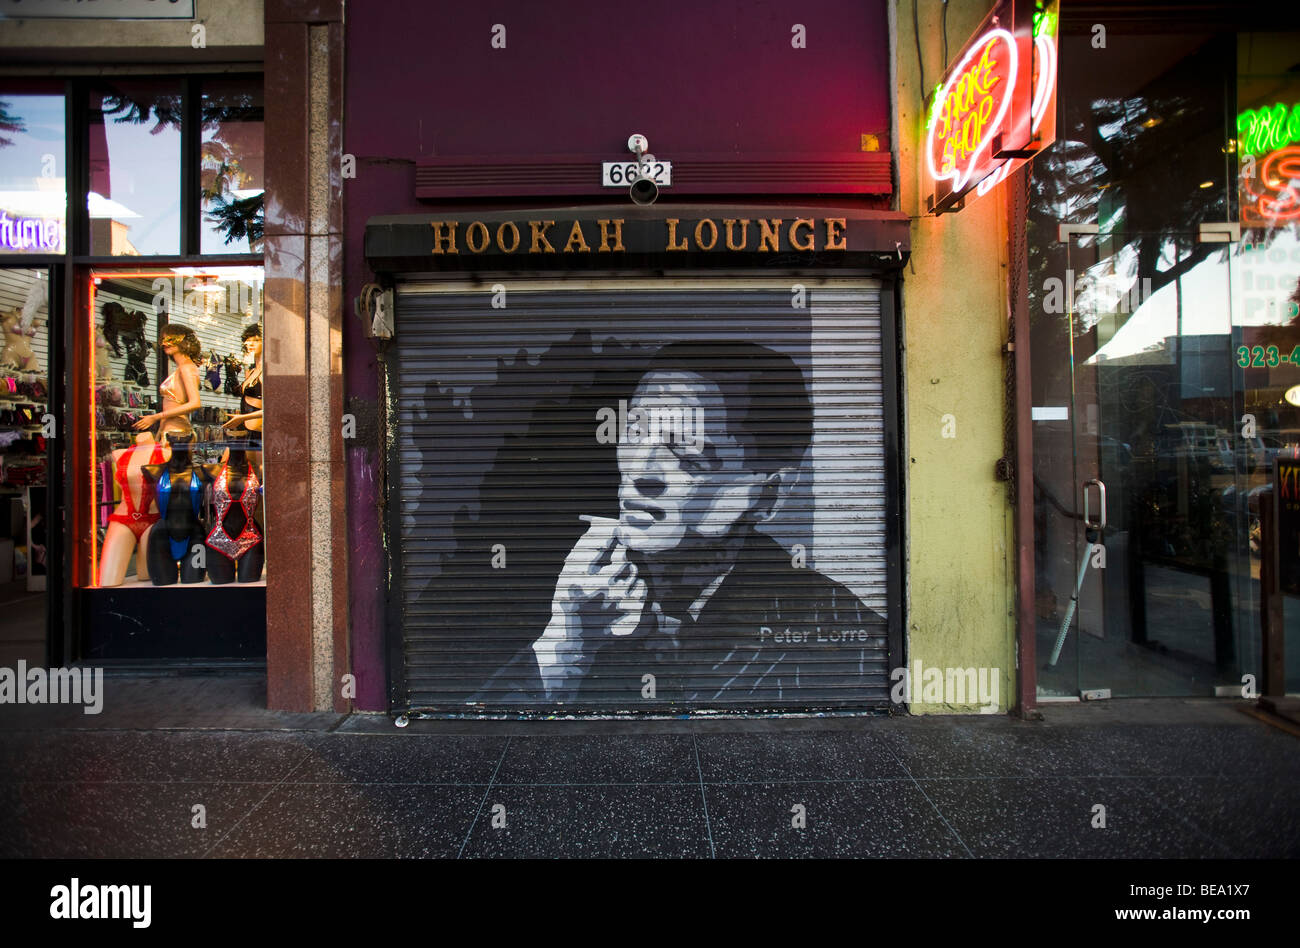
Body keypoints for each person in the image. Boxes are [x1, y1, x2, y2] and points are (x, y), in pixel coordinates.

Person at [481, 340, 887, 705]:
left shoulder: (847, 639)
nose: (642, 472)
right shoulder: (567, 590)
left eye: (686, 451)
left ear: (767, 496)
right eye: (635, 434)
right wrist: (567, 643)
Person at [134, 323, 202, 439]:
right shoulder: (182, 368)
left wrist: (156, 417)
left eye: (170, 339)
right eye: (163, 339)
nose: (164, 343)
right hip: (169, 430)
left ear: (182, 341)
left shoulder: (187, 368)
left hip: (177, 432)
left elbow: (195, 403)